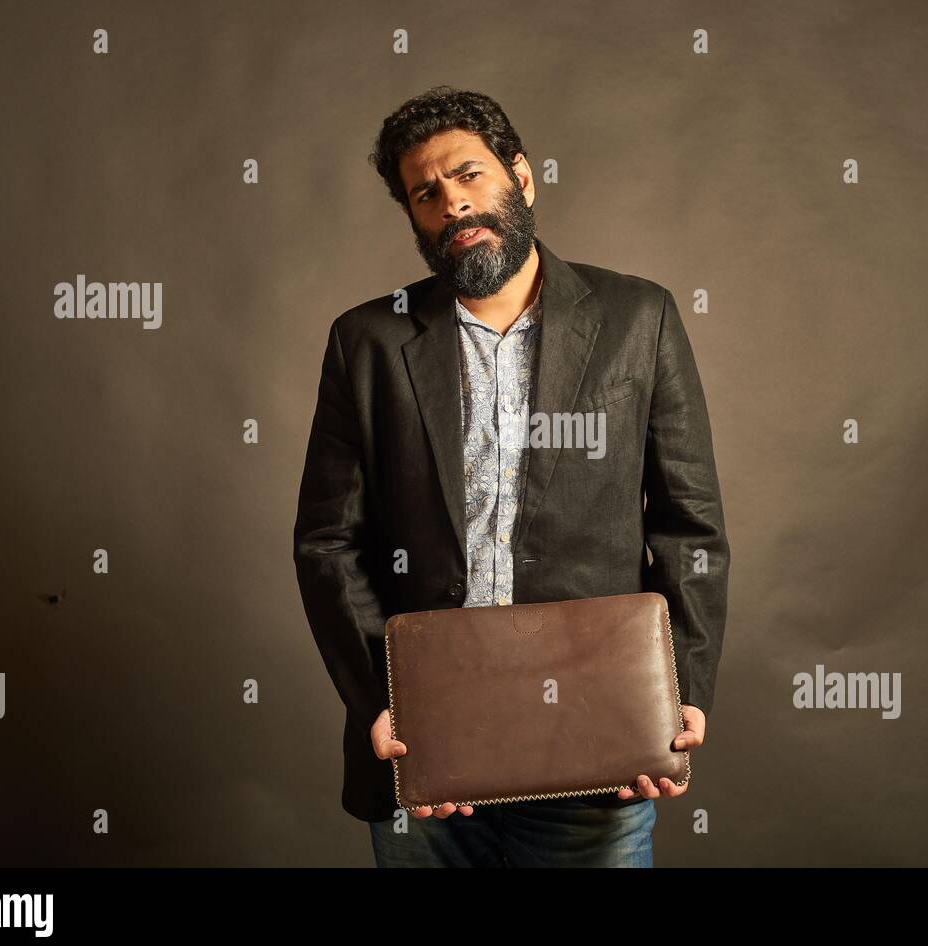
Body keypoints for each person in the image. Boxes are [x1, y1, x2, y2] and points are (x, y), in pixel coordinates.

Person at [293, 86, 730, 867]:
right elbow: (328, 541)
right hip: (422, 756)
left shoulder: (641, 318)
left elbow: (688, 526)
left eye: (469, 175)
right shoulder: (365, 340)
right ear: (414, 217)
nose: (453, 204)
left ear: (521, 178)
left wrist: (680, 685)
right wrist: (380, 698)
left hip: (600, 751)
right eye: (426, 193)